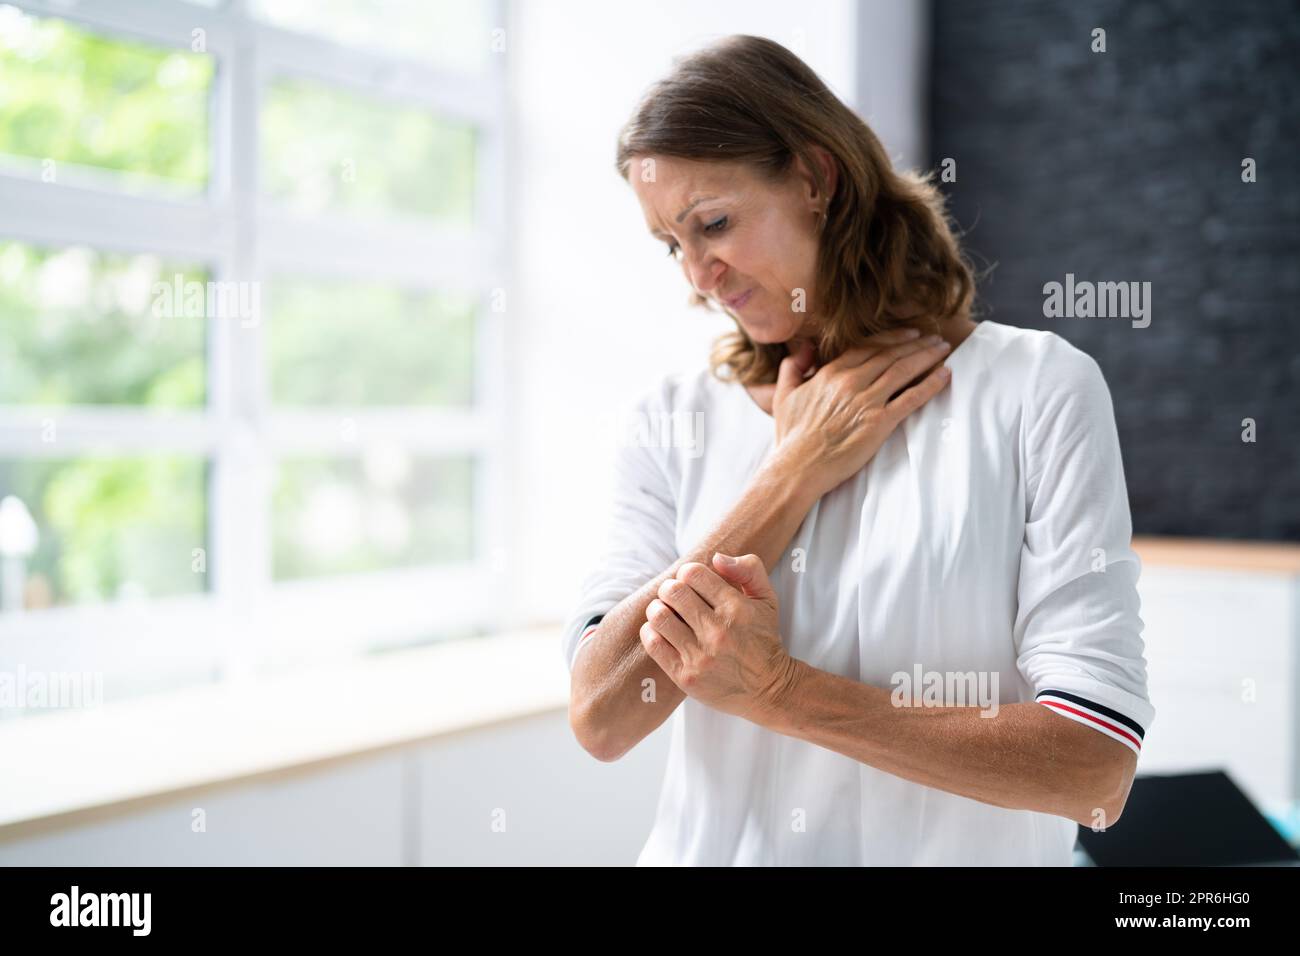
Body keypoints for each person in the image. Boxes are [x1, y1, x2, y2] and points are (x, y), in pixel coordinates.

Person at [562, 34, 1154, 866]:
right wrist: (791, 474)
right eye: (673, 244)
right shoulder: (671, 418)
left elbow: (1093, 771)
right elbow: (603, 716)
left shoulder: (1037, 389)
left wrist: (780, 693)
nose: (699, 274)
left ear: (815, 179)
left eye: (715, 224)